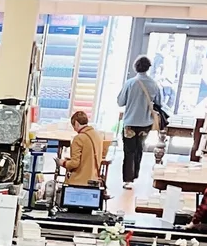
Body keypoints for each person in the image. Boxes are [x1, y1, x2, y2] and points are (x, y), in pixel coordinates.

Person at [117, 56, 166, 184]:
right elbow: (159, 103)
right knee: (139, 148)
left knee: (129, 151)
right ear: (148, 68)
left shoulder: (130, 83)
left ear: (136, 67)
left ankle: (128, 180)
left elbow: (120, 102)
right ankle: (135, 175)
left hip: (130, 123)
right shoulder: (154, 84)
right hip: (145, 123)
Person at [64, 106, 109, 188]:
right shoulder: (97, 135)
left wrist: (63, 163)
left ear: (76, 123)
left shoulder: (79, 138)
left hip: (79, 181)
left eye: (73, 126)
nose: (74, 129)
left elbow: (74, 163)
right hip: (93, 179)